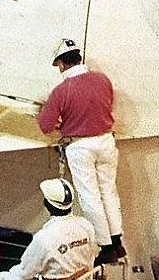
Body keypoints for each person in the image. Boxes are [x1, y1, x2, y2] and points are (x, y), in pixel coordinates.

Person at [36, 38, 125, 266]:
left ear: (62, 64)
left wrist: (43, 110)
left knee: (89, 196)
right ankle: (117, 241)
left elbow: (45, 126)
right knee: (109, 193)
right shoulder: (102, 80)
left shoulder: (61, 91)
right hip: (106, 141)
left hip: (81, 146)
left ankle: (105, 247)